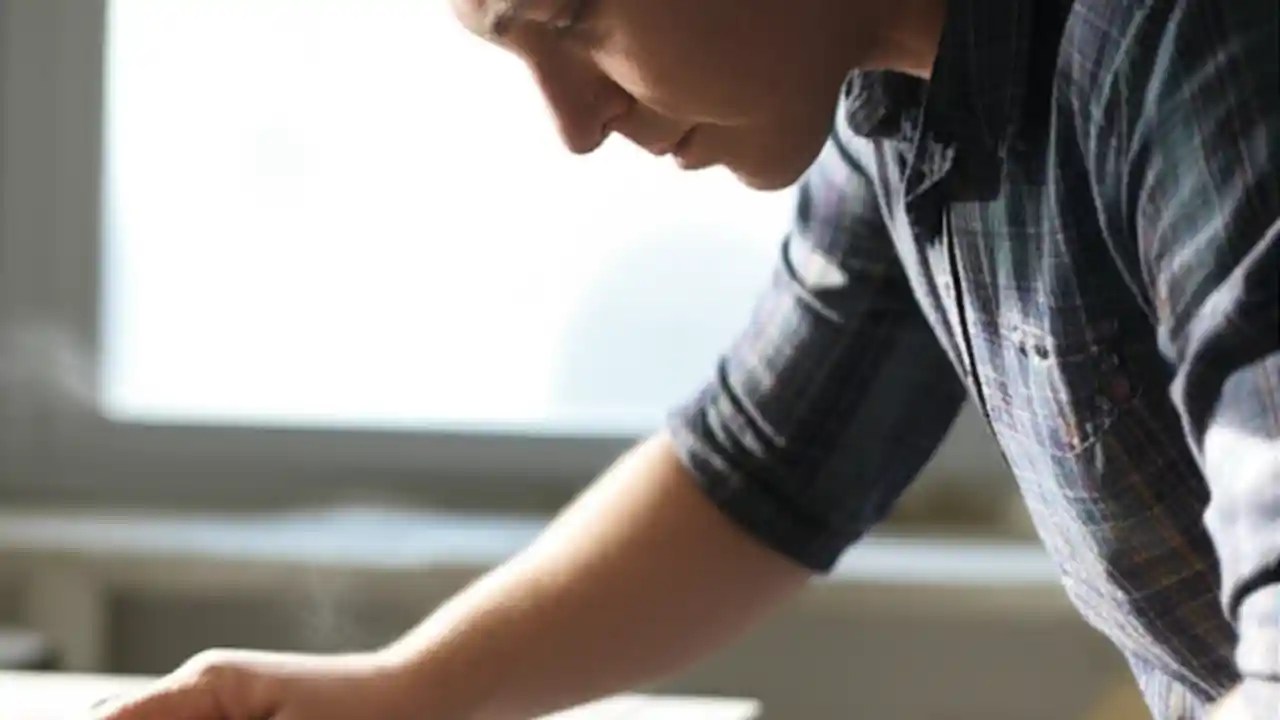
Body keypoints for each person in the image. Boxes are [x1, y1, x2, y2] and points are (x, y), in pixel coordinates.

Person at [98, 0, 1278, 718]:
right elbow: (766, 468)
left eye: (572, 19)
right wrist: (402, 692)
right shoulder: (899, 94)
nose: (568, 124)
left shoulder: (1187, 43)